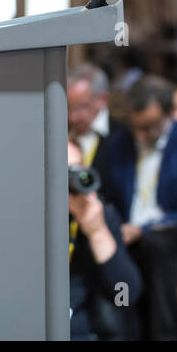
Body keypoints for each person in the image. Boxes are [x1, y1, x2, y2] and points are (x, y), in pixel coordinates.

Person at [95, 74, 177, 339]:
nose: (142, 134)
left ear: (170, 113)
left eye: (150, 126)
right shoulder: (118, 144)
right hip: (129, 235)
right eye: (136, 126)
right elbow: (104, 198)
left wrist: (145, 229)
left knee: (156, 245)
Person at [67, 140, 143, 340]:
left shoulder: (98, 214)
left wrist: (97, 232)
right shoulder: (24, 219)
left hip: (84, 331)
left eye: (76, 170)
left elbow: (126, 295)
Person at [67, 63, 111, 167]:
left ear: (102, 99)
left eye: (81, 107)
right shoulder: (61, 131)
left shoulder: (121, 135)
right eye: (68, 108)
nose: (72, 117)